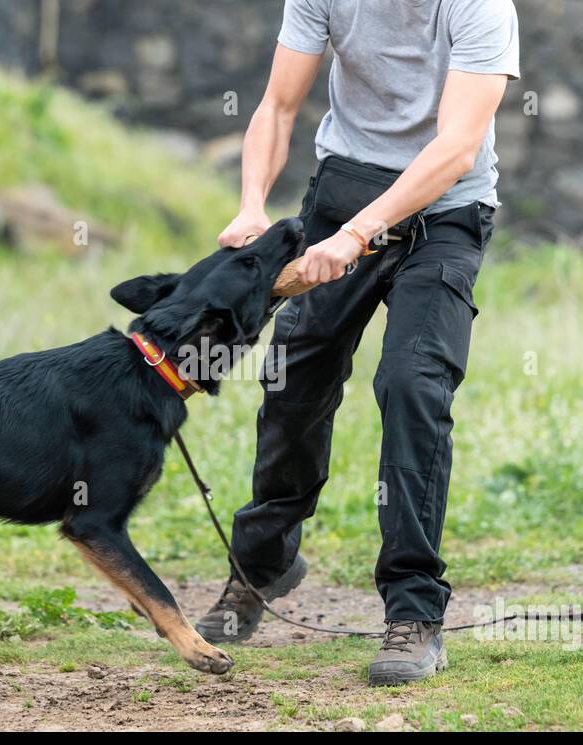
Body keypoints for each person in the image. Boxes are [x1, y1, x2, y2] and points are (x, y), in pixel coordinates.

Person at [195, 0, 521, 685]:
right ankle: (263, 566)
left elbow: (457, 147)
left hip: (446, 216)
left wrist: (357, 236)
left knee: (412, 385)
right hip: (340, 193)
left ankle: (415, 611)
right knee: (292, 382)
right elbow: (279, 107)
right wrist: (253, 204)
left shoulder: (480, 5)